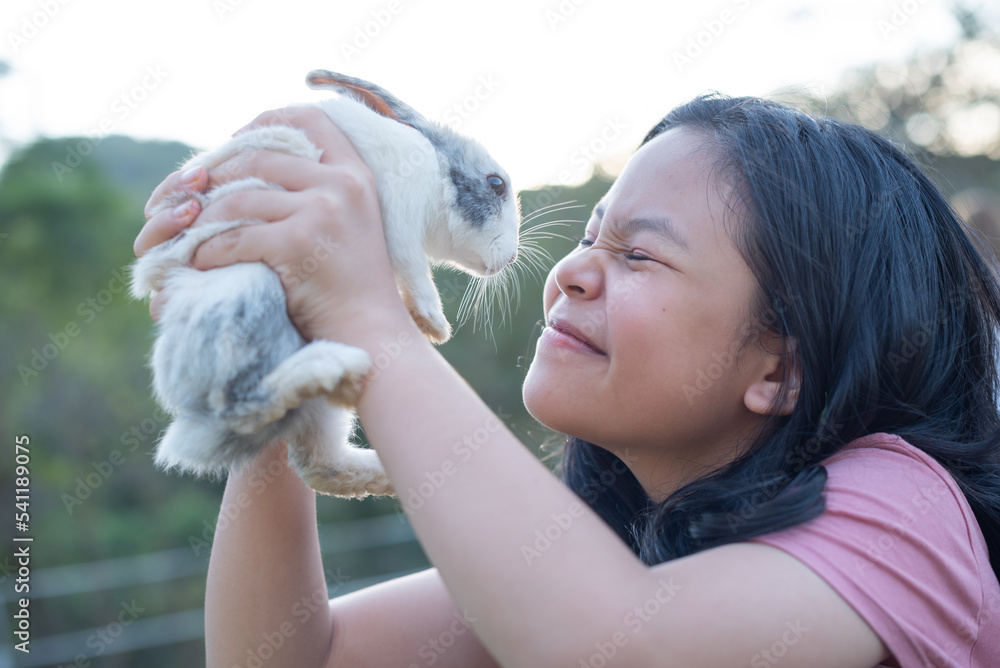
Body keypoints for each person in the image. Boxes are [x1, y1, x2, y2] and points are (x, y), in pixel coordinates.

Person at [133, 94, 1000, 667]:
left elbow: (611, 647)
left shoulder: (906, 511)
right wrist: (279, 328)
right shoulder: (618, 540)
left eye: (639, 255)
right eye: (589, 238)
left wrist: (366, 312)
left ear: (782, 367)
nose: (574, 273)